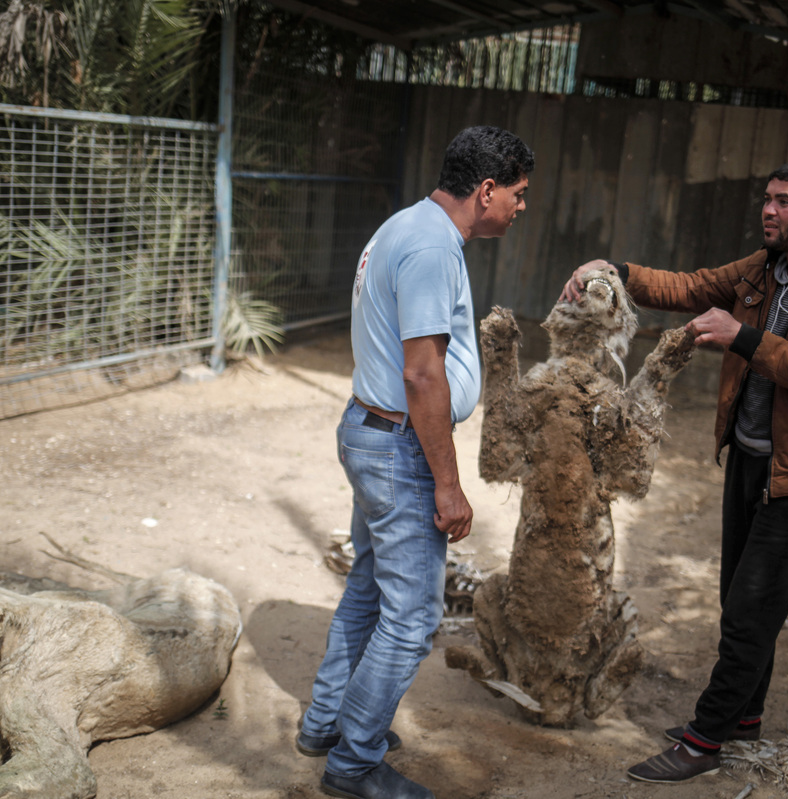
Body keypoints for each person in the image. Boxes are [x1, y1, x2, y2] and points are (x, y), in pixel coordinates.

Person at [560, 162, 788, 784]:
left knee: (749, 610)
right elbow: (690, 286)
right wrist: (613, 271)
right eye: (767, 199)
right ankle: (745, 721)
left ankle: (704, 741)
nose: (769, 210)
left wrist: (742, 336)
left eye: (784, 201)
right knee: (740, 598)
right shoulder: (763, 267)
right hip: (748, 453)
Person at [297, 125, 534, 799]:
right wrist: (448, 486)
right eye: (518, 194)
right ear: (486, 190)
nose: (521, 207)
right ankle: (354, 762)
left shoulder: (408, 225)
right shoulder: (431, 246)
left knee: (369, 588)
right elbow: (423, 374)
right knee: (410, 620)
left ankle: (327, 722)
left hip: (372, 430)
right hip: (399, 444)